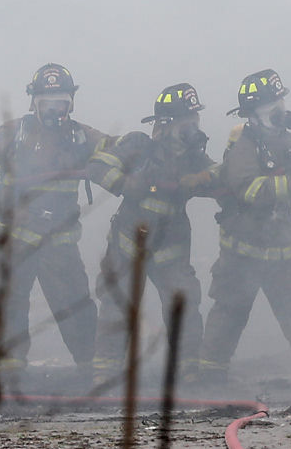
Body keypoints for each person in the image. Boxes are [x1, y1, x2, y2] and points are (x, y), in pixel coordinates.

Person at [198, 69, 291, 390]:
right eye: (271, 107)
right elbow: (247, 189)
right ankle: (208, 380)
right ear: (253, 115)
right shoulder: (244, 146)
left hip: (285, 250)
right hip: (242, 253)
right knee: (230, 314)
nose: (279, 111)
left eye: (280, 102)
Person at [0, 63, 105, 380]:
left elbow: (114, 150)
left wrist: (134, 145)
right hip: (13, 240)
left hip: (59, 242)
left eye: (61, 101)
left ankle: (92, 370)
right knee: (9, 302)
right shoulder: (15, 133)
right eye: (47, 101)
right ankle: (9, 374)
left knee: (75, 305)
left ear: (71, 102)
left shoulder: (80, 135)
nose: (55, 108)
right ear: (34, 103)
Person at [89, 82, 218, 392]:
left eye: (194, 121)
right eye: (185, 122)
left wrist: (203, 177)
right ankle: (104, 378)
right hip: (126, 248)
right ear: (165, 125)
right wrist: (125, 182)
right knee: (116, 309)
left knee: (184, 305)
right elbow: (97, 167)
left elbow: (220, 177)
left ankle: (188, 375)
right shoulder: (138, 146)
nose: (192, 128)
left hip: (171, 249)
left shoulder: (193, 159)